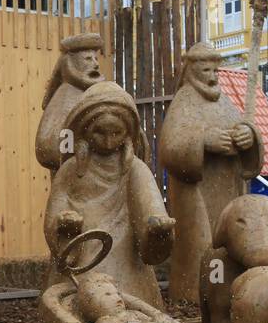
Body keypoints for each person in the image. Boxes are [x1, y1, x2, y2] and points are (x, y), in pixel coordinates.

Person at [44, 81, 174, 307]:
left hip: (124, 254)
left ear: (128, 132)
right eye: (100, 132)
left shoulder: (135, 169)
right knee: (73, 307)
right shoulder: (71, 170)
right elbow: (55, 211)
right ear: (85, 128)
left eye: (116, 133)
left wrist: (156, 228)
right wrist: (64, 224)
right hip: (83, 250)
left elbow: (150, 205)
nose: (108, 141)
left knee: (132, 306)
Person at [158, 42, 262, 302]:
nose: (213, 77)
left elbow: (245, 132)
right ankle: (195, 297)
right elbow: (169, 149)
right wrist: (203, 142)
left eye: (216, 71)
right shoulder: (184, 102)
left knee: (232, 245)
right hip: (197, 197)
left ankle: (235, 293)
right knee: (201, 250)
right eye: (206, 71)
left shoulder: (224, 102)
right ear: (192, 71)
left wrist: (248, 137)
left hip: (230, 192)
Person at [35, 33, 106, 175]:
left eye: (95, 58)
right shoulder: (67, 96)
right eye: (87, 59)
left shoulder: (91, 95)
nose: (96, 64)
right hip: (72, 183)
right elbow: (46, 148)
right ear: (71, 64)